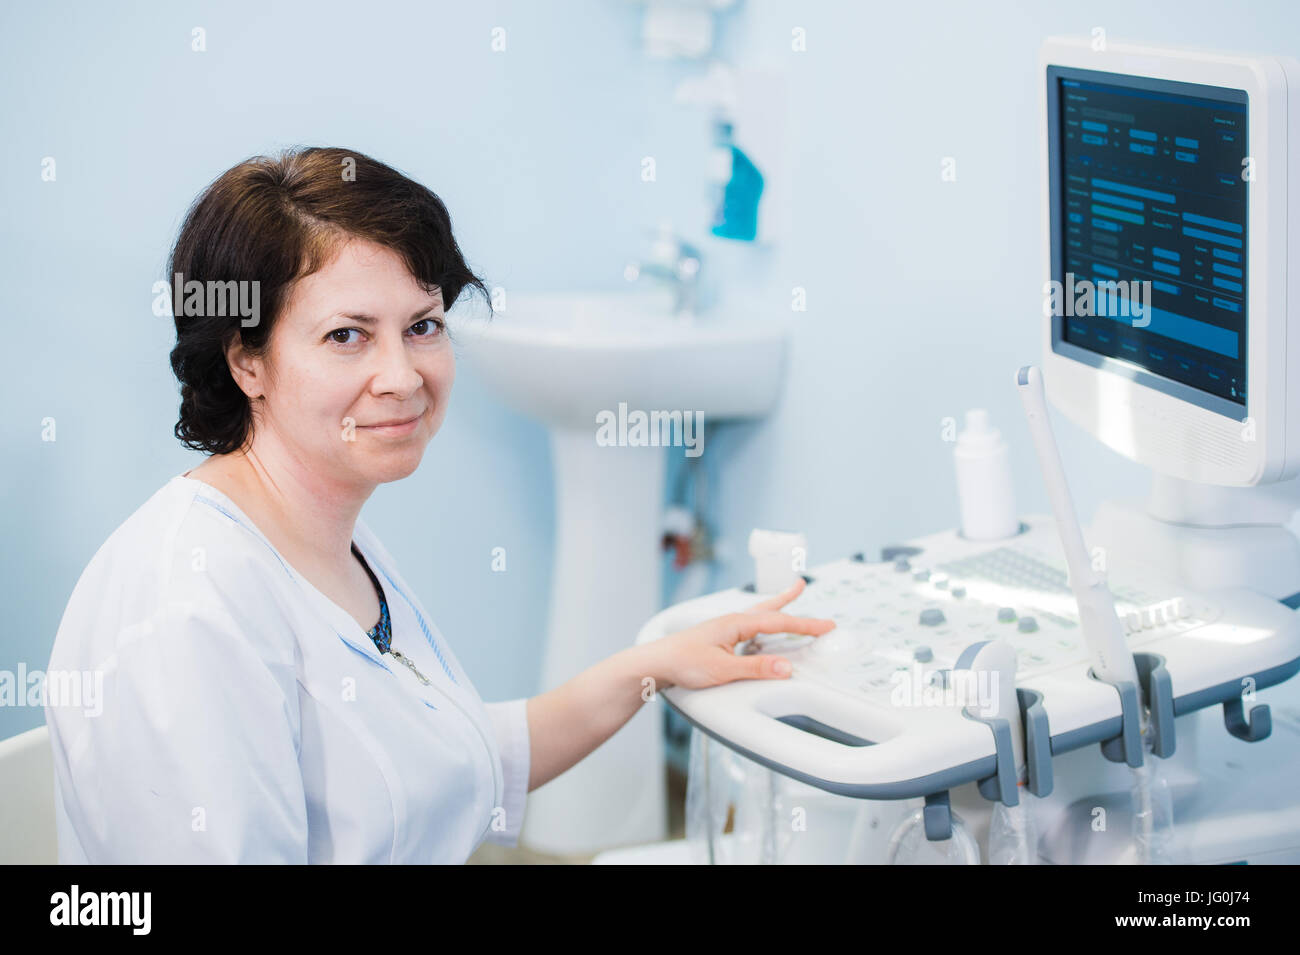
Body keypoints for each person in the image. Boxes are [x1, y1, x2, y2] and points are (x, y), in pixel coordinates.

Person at [44, 146, 835, 863]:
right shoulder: (189, 610)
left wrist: (653, 665)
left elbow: (455, 759)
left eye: (422, 325)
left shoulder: (330, 538)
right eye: (347, 336)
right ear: (247, 360)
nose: (402, 375)